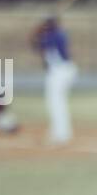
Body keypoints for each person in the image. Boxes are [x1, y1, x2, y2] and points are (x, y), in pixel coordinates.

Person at [33, 16, 75, 145]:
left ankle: (61, 133)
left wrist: (37, 32)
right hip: (63, 70)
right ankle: (61, 131)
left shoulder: (53, 36)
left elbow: (37, 45)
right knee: (58, 101)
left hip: (60, 71)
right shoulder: (58, 34)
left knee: (55, 102)